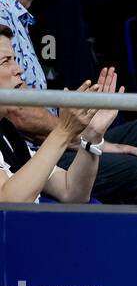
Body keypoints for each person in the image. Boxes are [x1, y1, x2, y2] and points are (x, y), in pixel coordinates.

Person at [0, 0, 137, 203]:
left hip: (47, 145)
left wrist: (93, 138)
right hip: (42, 144)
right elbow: (18, 112)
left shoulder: (20, 18)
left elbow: (73, 193)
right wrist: (72, 133)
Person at [0, 26, 117, 203]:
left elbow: (71, 192)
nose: (19, 69)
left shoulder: (6, 132)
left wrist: (92, 135)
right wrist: (64, 130)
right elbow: (8, 205)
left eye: (15, 59)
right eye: (6, 61)